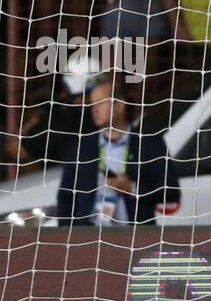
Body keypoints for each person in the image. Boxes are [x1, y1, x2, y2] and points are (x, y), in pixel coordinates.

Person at [57, 78, 176, 225]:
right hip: (90, 234)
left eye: (100, 103)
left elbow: (171, 192)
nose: (94, 109)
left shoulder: (149, 143)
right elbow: (65, 196)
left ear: (119, 105)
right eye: (92, 104)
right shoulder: (81, 146)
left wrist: (132, 188)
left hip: (135, 234)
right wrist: (67, 235)